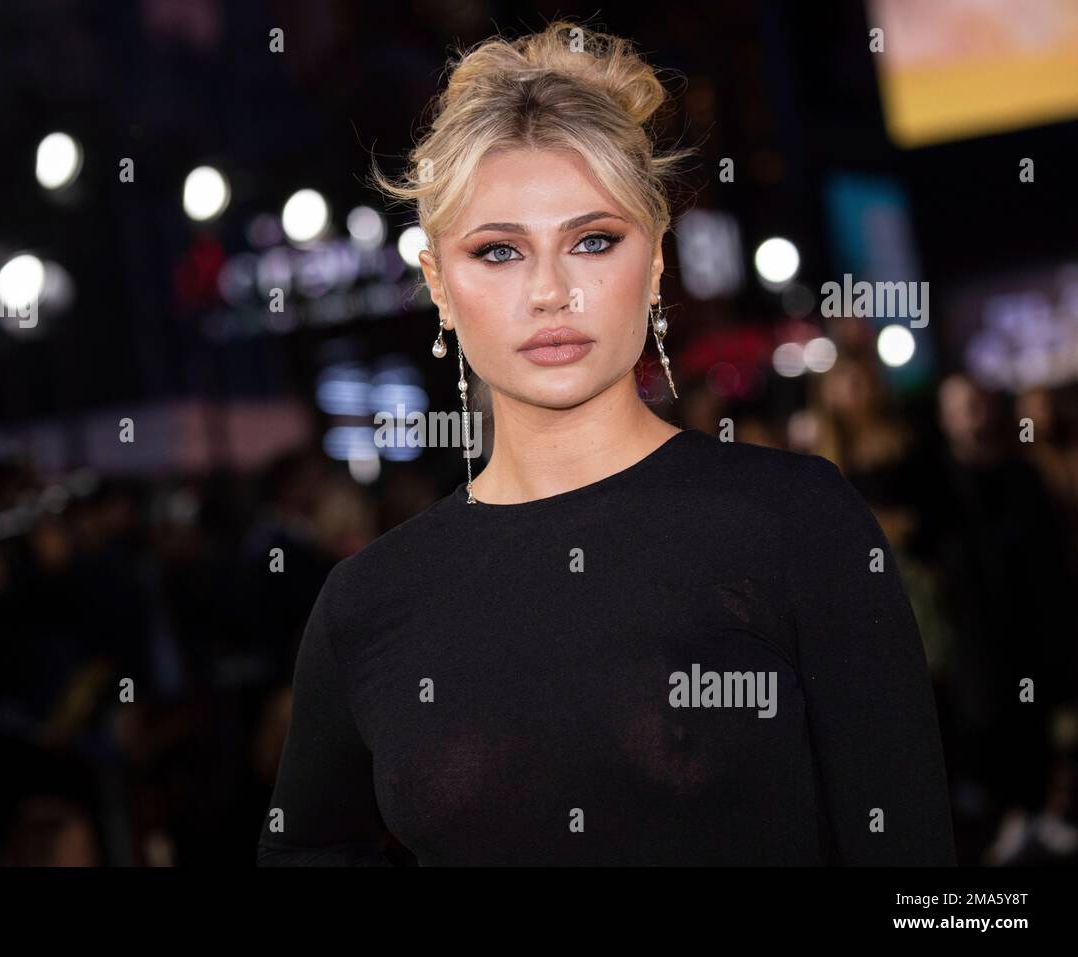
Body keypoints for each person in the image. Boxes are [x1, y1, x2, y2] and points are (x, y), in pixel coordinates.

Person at [256, 20, 955, 866]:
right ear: (439, 284)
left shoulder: (798, 523)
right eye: (499, 251)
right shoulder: (366, 604)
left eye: (593, 241)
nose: (551, 291)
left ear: (655, 260)